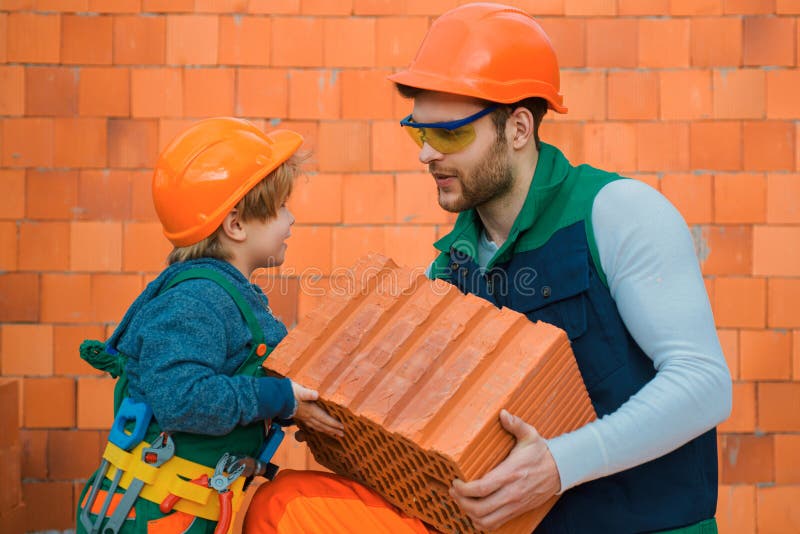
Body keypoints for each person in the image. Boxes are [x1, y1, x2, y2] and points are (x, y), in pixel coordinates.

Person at [246, 3, 732, 533]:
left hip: (648, 526)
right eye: (418, 132)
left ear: (519, 127)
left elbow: (704, 383)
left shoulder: (616, 212)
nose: (426, 155)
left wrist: (559, 464)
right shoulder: (448, 270)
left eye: (449, 134)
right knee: (286, 505)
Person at [75, 117, 343, 533]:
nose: (291, 220)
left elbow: (242, 382)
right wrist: (279, 398)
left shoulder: (226, 296)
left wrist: (293, 405)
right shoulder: (193, 302)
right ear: (235, 224)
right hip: (147, 518)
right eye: (280, 208)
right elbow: (181, 397)